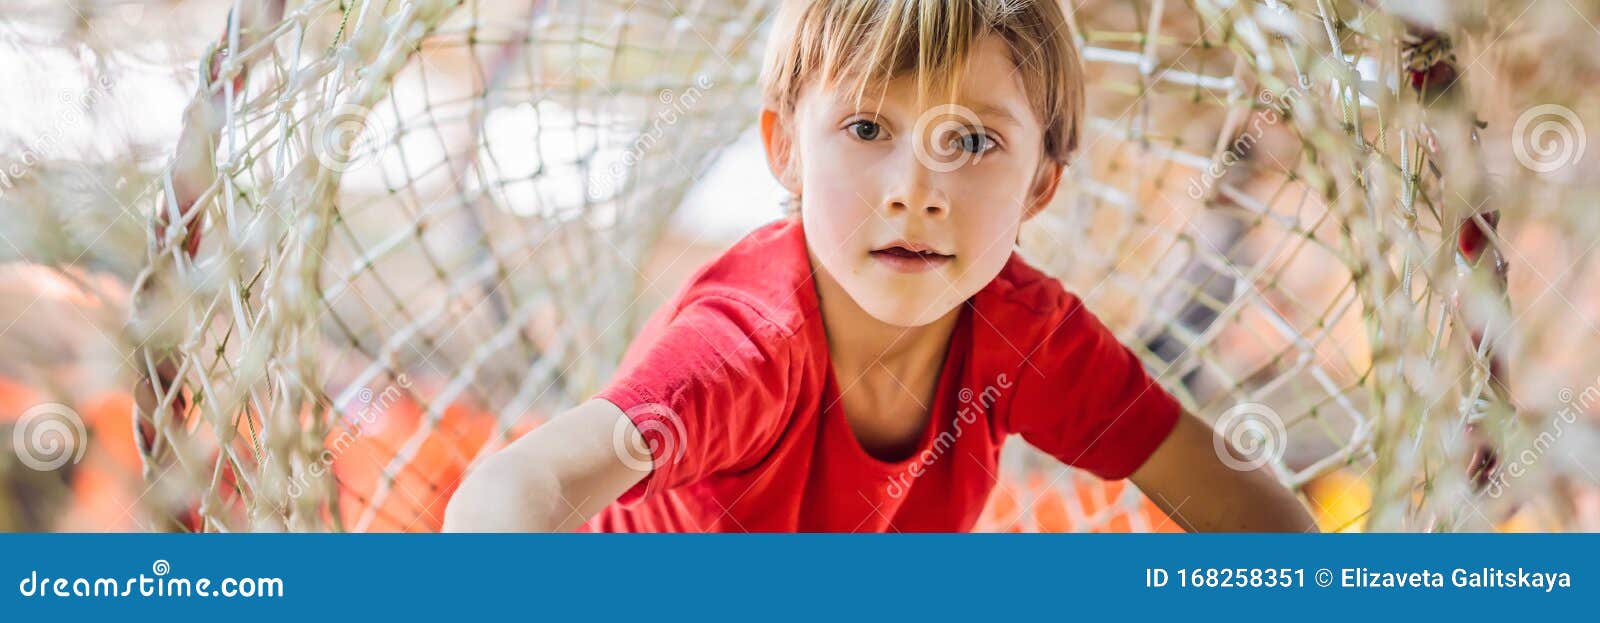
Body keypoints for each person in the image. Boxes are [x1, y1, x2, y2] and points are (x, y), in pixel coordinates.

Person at [444, 0, 1316, 533]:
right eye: (867, 129)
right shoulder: (750, 344)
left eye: (972, 141)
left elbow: (1249, 510)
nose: (914, 190)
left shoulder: (1024, 333)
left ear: (1040, 187)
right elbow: (524, 483)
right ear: (785, 151)